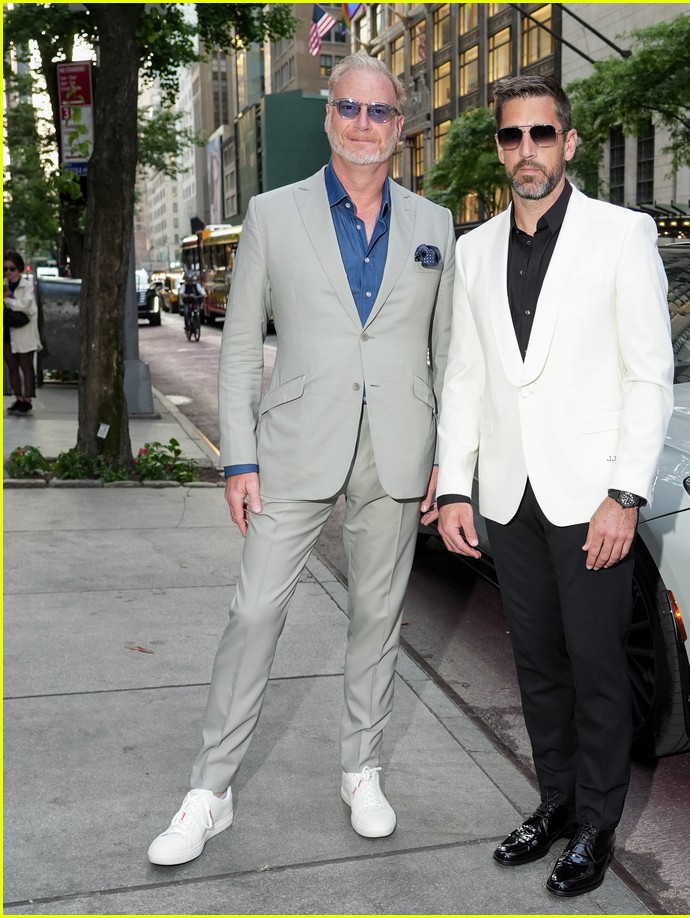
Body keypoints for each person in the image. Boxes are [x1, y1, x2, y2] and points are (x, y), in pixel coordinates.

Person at [148, 52, 455, 866]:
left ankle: (361, 769)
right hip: (290, 449)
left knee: (378, 618)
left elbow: (447, 353)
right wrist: (238, 460)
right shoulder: (273, 214)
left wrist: (445, 461)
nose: (363, 124)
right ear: (329, 120)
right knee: (254, 613)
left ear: (400, 127)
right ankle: (210, 791)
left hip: (396, 449)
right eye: (349, 109)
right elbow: (242, 342)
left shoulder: (434, 224)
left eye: (379, 112)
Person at [432, 75, 673, 898]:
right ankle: (556, 803)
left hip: (593, 500)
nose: (525, 150)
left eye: (541, 134)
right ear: (499, 148)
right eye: (511, 136)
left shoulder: (621, 234)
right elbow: (463, 377)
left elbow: (650, 377)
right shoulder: (472, 251)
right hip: (508, 497)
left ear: (568, 143)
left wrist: (626, 494)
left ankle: (597, 827)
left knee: (597, 665)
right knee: (536, 664)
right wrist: (455, 486)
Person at [4, 251, 40, 415]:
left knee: (26, 367)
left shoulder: (27, 286)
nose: (8, 272)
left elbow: (26, 306)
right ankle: (18, 398)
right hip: (7, 333)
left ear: (19, 269)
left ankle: (27, 400)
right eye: (5, 269)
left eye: (12, 268)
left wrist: (8, 300)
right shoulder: (3, 285)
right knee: (12, 367)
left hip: (24, 333)